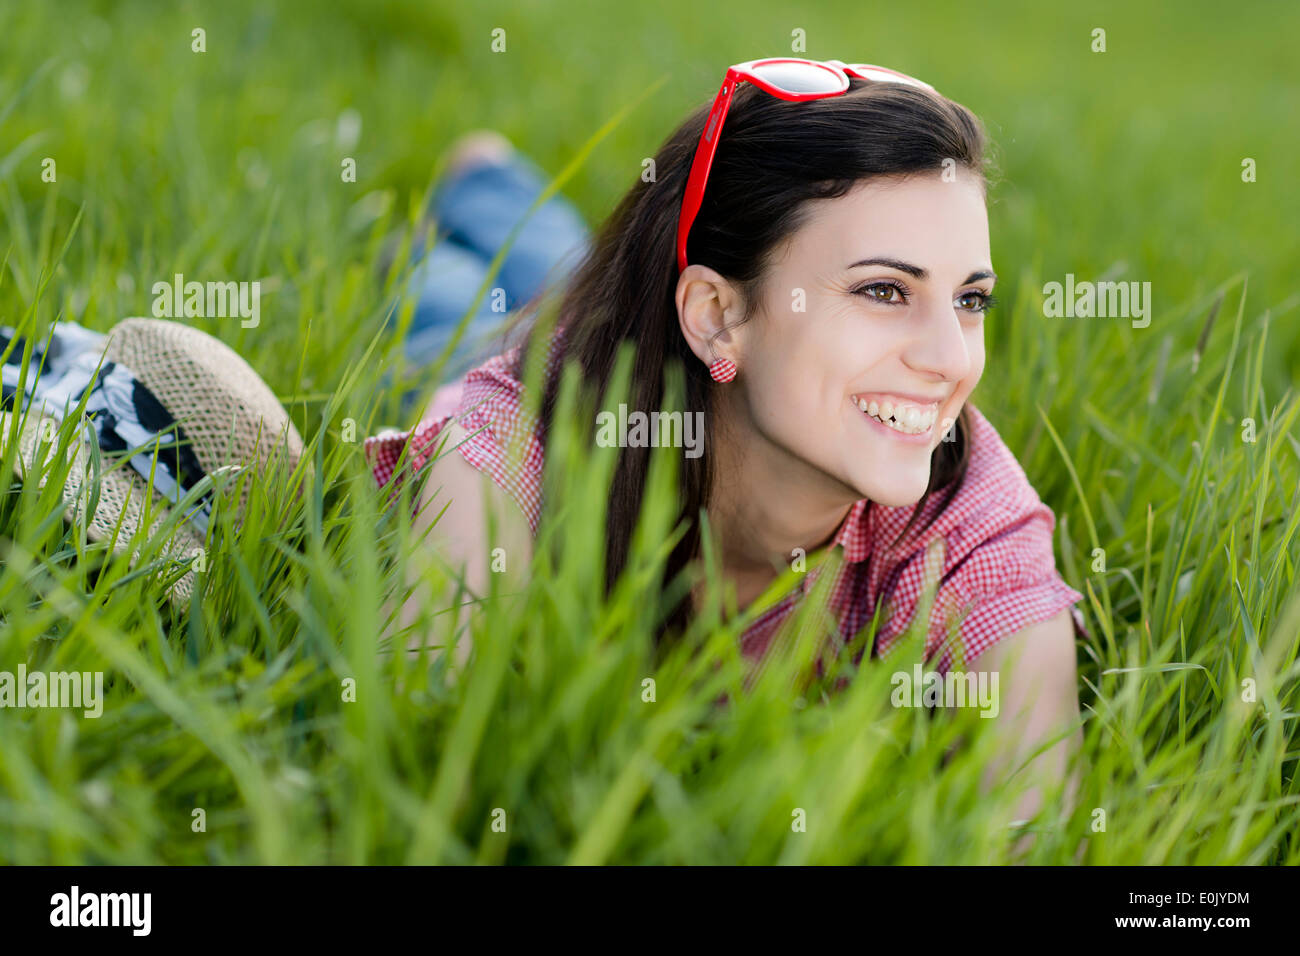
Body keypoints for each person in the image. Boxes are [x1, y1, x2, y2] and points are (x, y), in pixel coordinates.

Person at [368, 59, 1088, 834]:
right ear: (717, 314)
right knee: (451, 304)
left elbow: (1036, 830)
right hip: (539, 354)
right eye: (885, 291)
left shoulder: (972, 522)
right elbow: (413, 741)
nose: (951, 360)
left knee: (579, 272)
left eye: (970, 299)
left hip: (655, 332)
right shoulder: (526, 438)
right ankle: (474, 185)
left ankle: (503, 190)